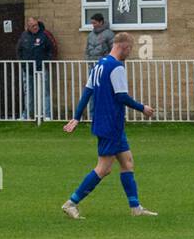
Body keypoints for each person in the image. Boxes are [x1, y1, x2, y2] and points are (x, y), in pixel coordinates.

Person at [61, 31, 158, 218]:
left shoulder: (99, 65)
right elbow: (121, 97)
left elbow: (87, 92)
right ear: (124, 47)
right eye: (129, 50)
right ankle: (71, 203)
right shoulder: (116, 67)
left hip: (107, 123)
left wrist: (76, 117)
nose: (129, 54)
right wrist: (142, 108)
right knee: (103, 168)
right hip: (111, 124)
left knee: (127, 162)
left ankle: (135, 208)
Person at [17, 16, 54, 120]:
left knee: (45, 92)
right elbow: (19, 50)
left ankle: (47, 115)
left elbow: (51, 49)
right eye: (32, 26)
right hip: (27, 69)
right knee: (28, 92)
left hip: (41, 68)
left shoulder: (44, 35)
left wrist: (46, 61)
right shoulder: (24, 36)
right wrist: (23, 64)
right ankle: (27, 114)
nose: (35, 27)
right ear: (27, 27)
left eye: (36, 25)